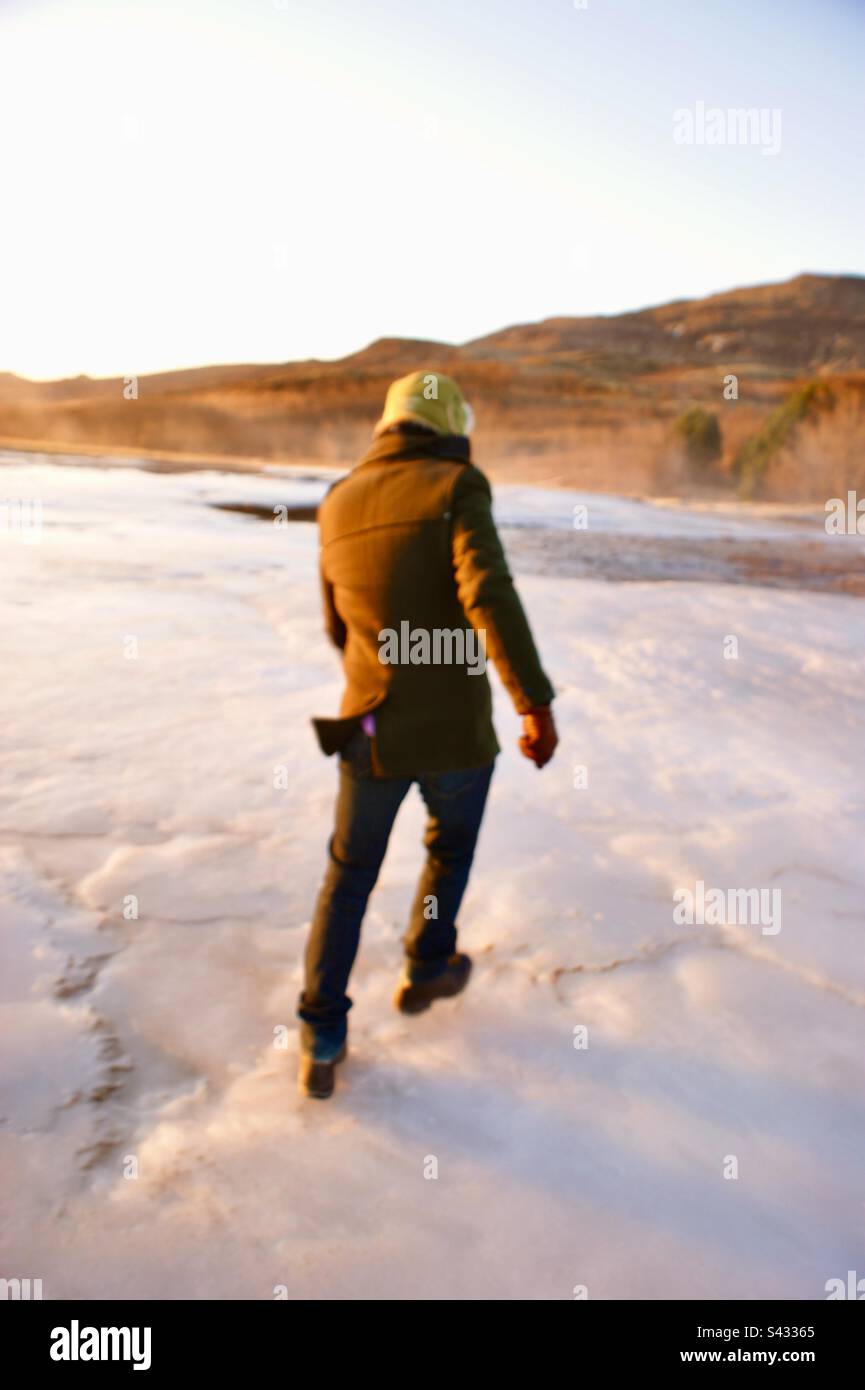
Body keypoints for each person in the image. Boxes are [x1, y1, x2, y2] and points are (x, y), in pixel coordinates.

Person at [299, 370, 557, 1098]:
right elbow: (487, 591)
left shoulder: (336, 501)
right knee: (448, 851)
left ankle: (320, 1032)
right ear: (448, 424)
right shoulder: (456, 485)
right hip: (452, 734)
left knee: (347, 878)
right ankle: (426, 965)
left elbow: (334, 627)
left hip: (371, 726)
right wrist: (532, 702)